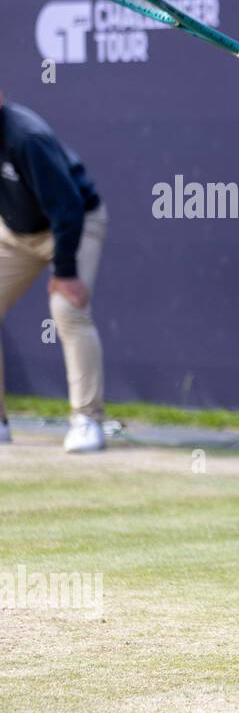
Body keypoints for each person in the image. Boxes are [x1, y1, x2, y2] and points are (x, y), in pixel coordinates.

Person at [0, 92, 108, 453]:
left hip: (74, 222)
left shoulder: (27, 137)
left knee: (68, 309)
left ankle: (87, 420)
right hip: (16, 232)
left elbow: (68, 208)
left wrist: (65, 272)